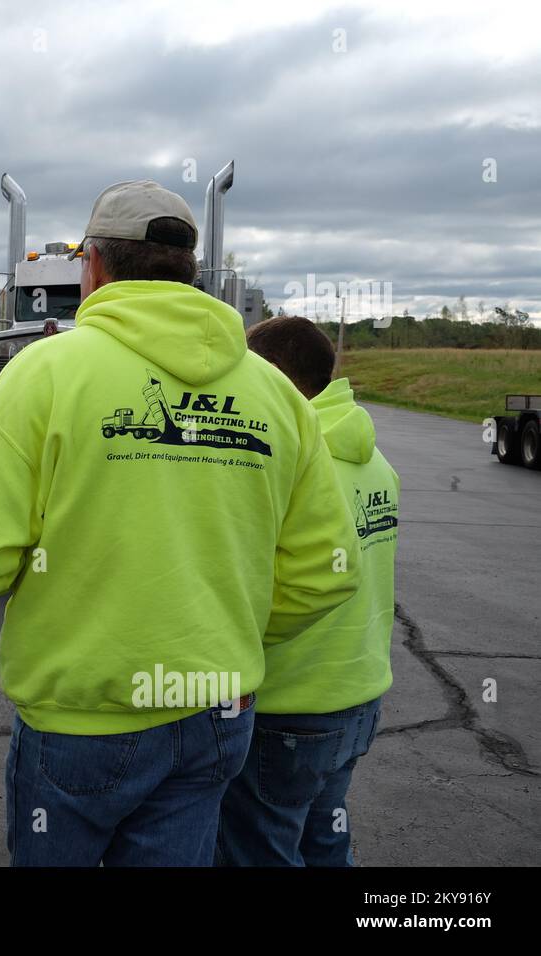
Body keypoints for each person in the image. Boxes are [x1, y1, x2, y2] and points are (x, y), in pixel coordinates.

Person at [0, 179, 361, 866]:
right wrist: (225, 631)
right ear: (192, 274)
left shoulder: (44, 374)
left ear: (92, 267)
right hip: (216, 712)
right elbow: (327, 570)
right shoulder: (277, 395)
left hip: (82, 718)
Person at [217, 316, 399, 866]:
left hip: (290, 703)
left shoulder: (290, 461)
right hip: (357, 692)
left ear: (271, 377)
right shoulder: (375, 461)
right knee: (323, 838)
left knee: (261, 850)